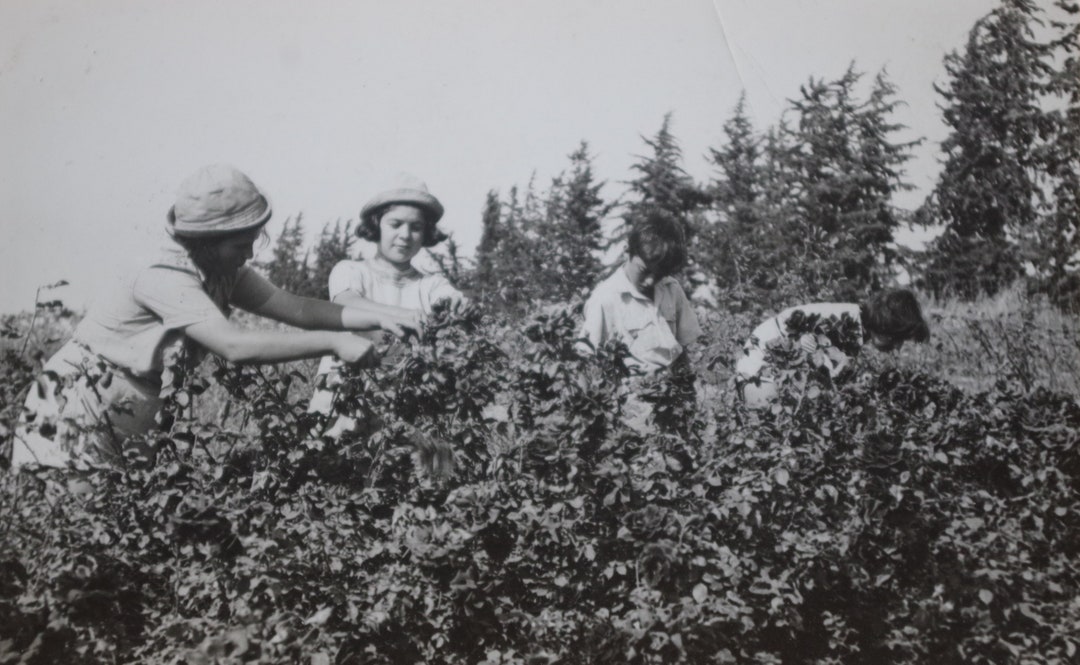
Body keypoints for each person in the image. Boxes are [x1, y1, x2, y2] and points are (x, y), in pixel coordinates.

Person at [11, 164, 422, 469]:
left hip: (130, 410)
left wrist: (388, 315)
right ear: (207, 240)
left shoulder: (221, 267)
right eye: (241, 244)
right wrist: (334, 343)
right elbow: (234, 345)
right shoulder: (162, 273)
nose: (251, 253)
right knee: (79, 544)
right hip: (75, 407)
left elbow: (297, 307)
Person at [307, 174, 463, 436]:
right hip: (345, 399)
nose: (405, 235)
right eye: (396, 224)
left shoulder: (431, 285)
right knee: (331, 453)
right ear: (376, 224)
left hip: (404, 406)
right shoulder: (351, 271)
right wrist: (405, 315)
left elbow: (452, 303)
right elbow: (347, 304)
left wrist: (457, 306)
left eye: (416, 227)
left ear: (426, 232)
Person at [735, 289, 931, 407]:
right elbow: (789, 320)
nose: (897, 348)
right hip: (757, 373)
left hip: (775, 376)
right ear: (885, 325)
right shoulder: (846, 319)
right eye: (896, 339)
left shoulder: (857, 325)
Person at [580, 212, 701, 373]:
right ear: (627, 251)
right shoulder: (605, 299)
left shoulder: (671, 288)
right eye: (644, 271)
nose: (650, 281)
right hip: (634, 387)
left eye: (660, 274)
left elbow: (685, 345)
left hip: (676, 382)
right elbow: (585, 359)